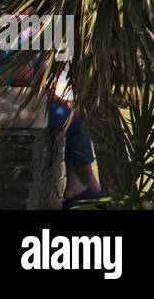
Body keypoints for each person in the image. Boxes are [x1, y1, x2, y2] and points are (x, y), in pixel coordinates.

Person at [47, 69, 102, 207]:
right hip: (21, 108)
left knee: (74, 121)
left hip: (34, 107)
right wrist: (63, 102)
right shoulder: (17, 50)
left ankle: (74, 185)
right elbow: (26, 83)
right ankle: (90, 182)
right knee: (76, 121)